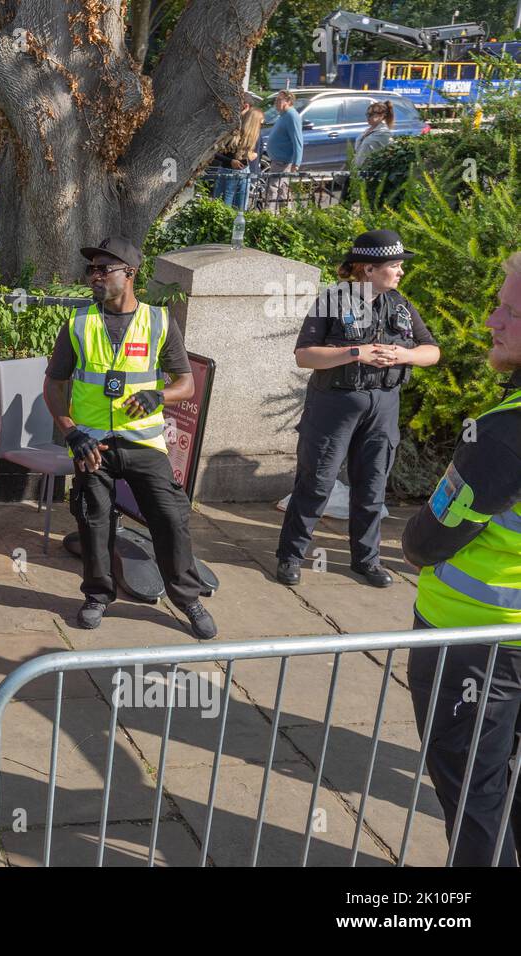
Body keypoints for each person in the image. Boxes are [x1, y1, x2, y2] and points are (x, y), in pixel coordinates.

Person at [403, 251, 521, 865]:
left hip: (473, 648)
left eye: (507, 310)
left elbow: (425, 541)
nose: (490, 321)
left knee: (476, 797)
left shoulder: (503, 433)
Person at [43, 236, 217, 640]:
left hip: (143, 442)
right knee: (93, 518)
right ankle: (98, 596)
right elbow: (53, 385)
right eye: (92, 270)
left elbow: (186, 384)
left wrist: (159, 394)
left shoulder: (159, 321)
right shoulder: (78, 324)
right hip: (92, 445)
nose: (95, 276)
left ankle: (187, 597)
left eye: (105, 269)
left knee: (171, 518)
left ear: (131, 273)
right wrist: (71, 432)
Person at [276, 229, 440, 588]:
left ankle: (366, 560)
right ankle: (290, 556)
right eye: (393, 265)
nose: (400, 272)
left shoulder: (400, 304)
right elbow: (304, 355)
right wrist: (356, 352)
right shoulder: (332, 301)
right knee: (316, 483)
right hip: (334, 406)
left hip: (383, 406)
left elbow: (433, 351)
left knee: (372, 486)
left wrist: (404, 354)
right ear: (367, 269)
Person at [211, 95, 263, 211]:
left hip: (243, 173)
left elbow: (255, 156)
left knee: (239, 210)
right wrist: (231, 161)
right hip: (228, 171)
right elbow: (213, 151)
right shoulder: (232, 129)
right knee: (224, 209)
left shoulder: (254, 134)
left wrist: (251, 157)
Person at [264, 89, 303, 210]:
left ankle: (268, 215)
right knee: (282, 191)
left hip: (283, 161)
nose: (276, 102)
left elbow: (297, 140)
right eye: (276, 100)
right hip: (278, 160)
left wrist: (296, 163)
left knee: (273, 188)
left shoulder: (292, 115)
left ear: (289, 101)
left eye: (279, 100)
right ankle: (287, 215)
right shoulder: (283, 115)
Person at [353, 100, 396, 170]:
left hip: (370, 171)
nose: (368, 117)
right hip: (358, 170)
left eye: (371, 114)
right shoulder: (367, 130)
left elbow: (389, 152)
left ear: (382, 115)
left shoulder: (384, 133)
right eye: (367, 114)